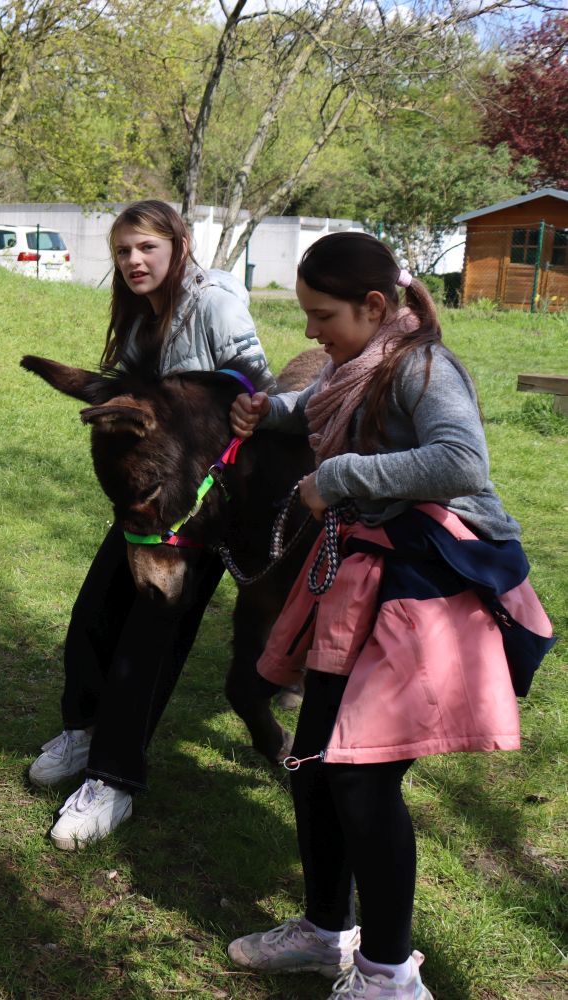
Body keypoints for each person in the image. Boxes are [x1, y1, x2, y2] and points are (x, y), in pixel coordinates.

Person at [224, 232, 551, 999]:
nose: (309, 331)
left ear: (375, 307)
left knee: (363, 785)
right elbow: (324, 405)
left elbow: (461, 461)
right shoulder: (362, 365)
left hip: (423, 594)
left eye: (321, 314)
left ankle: (389, 975)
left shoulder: (425, 368)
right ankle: (324, 932)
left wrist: (337, 476)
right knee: (311, 767)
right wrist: (271, 411)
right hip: (363, 588)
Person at [29, 199, 279, 850]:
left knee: (150, 639)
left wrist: (244, 422)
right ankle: (83, 732)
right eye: (122, 251)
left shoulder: (216, 301)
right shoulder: (142, 315)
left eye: (146, 248)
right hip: (153, 499)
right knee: (93, 613)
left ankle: (113, 779)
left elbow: (260, 387)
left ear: (180, 244)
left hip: (204, 504)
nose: (134, 261)